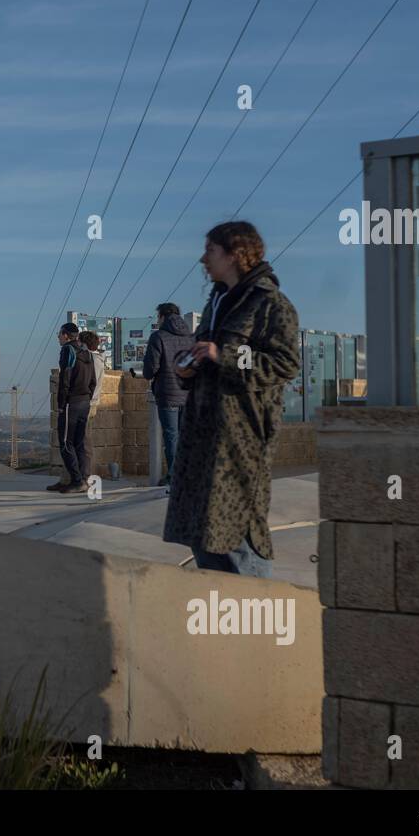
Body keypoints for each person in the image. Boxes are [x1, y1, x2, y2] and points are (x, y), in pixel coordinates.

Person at [163, 221, 300, 578]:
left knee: (239, 534)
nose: (202, 259)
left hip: (240, 440)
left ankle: (255, 621)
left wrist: (221, 355)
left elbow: (285, 364)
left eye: (210, 250)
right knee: (204, 531)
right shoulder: (218, 302)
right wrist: (187, 368)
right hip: (203, 435)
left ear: (235, 253)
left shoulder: (272, 305)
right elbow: (207, 352)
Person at [141, 302, 193, 493]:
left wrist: (151, 374)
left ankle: (174, 478)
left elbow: (150, 369)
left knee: (171, 437)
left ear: (162, 317)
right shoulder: (192, 338)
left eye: (157, 317)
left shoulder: (158, 337)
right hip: (188, 394)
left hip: (168, 395)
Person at [48, 322, 96, 494]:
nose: (58, 337)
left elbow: (65, 378)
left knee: (66, 443)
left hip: (72, 403)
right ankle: (83, 479)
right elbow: (93, 381)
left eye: (60, 334)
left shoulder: (68, 350)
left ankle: (77, 481)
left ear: (66, 335)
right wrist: (87, 396)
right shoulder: (87, 352)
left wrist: (62, 404)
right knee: (79, 443)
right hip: (84, 402)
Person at [80, 331, 107, 481]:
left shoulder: (93, 360)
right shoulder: (97, 359)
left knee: (85, 441)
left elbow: (90, 383)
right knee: (84, 440)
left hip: (88, 403)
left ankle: (86, 476)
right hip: (90, 403)